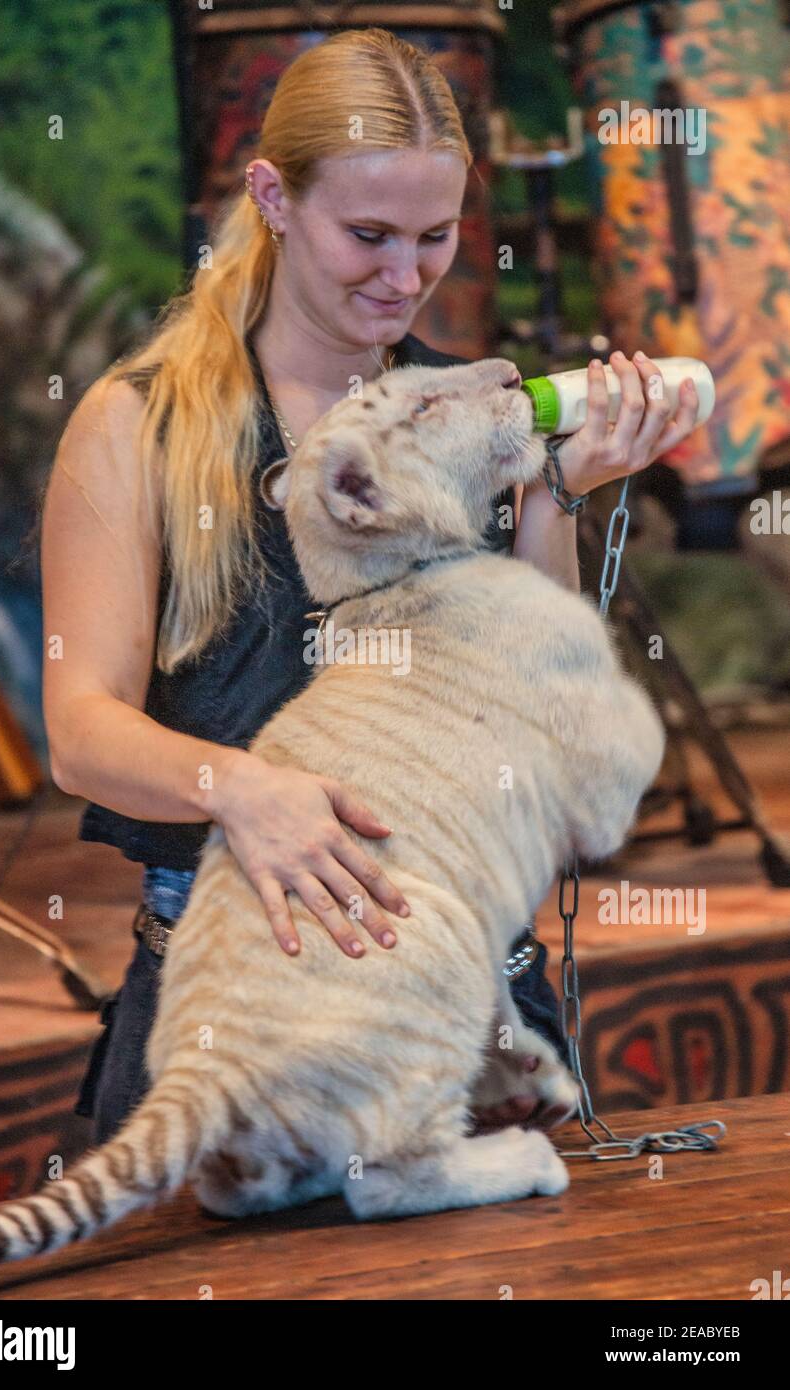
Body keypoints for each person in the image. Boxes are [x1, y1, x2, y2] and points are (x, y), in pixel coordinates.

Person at [41, 28, 700, 1147]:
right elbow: (80, 733)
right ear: (272, 196)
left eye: (436, 237)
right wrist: (241, 789)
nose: (404, 278)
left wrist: (553, 494)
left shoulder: (470, 410)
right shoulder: (138, 421)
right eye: (367, 236)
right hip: (247, 998)